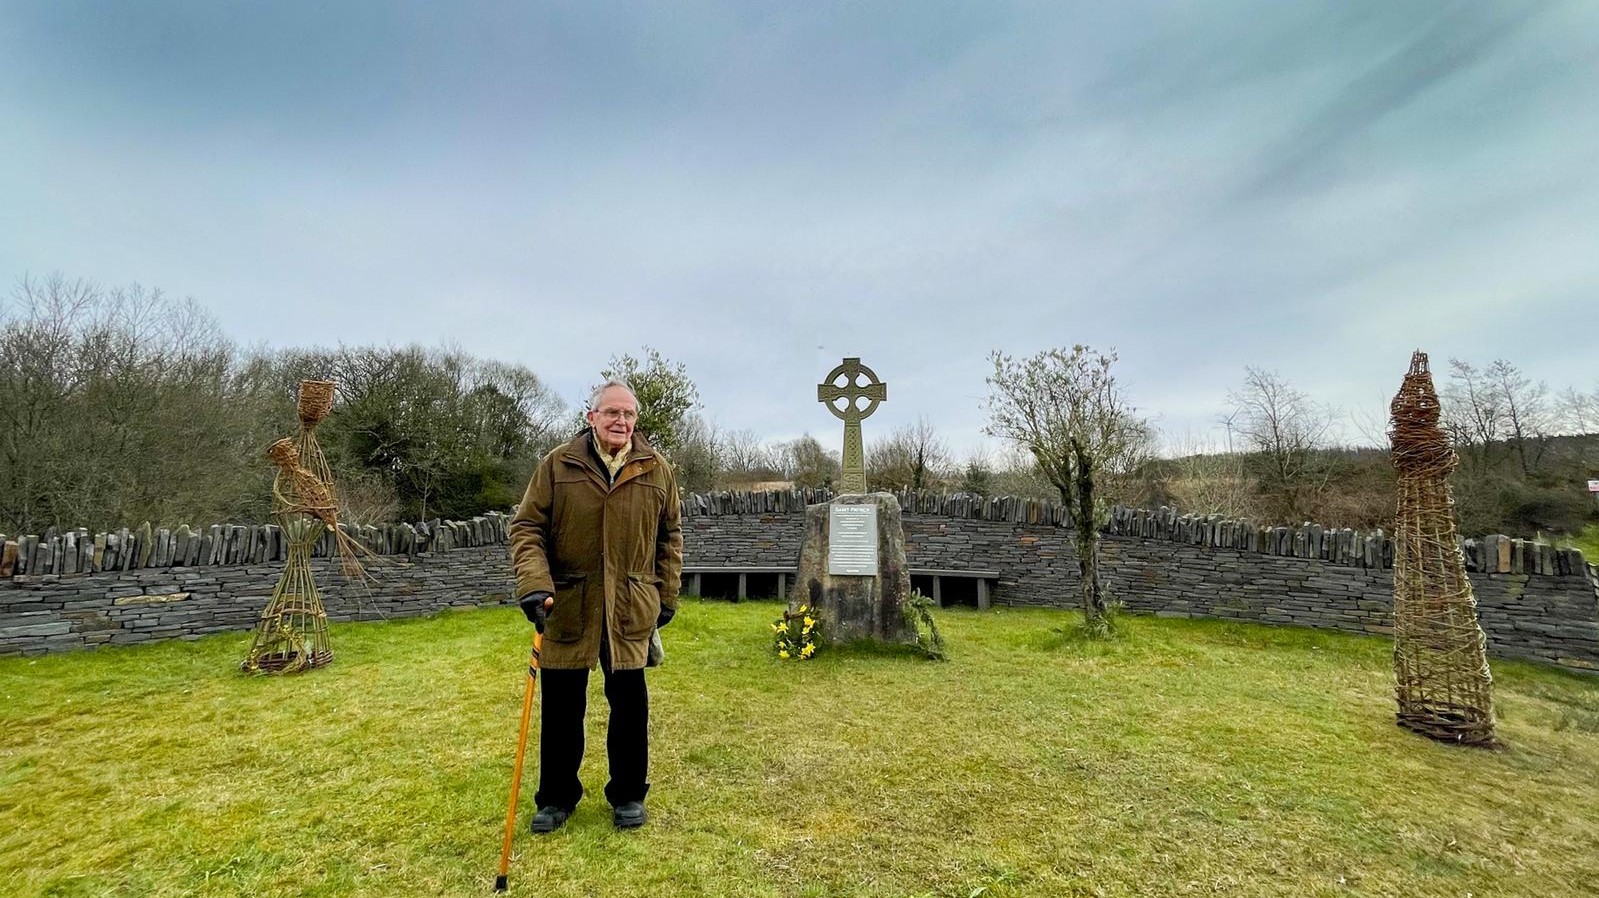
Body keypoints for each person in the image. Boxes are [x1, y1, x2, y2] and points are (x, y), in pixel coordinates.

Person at [508, 379, 682, 832]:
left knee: (630, 707)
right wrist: (533, 583)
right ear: (592, 417)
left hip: (630, 606)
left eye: (628, 415)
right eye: (611, 413)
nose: (621, 421)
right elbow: (526, 527)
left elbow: (671, 536)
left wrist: (666, 592)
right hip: (568, 602)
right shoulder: (557, 464)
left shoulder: (656, 468)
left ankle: (628, 794)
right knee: (562, 709)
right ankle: (556, 798)